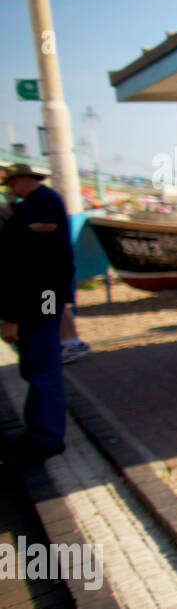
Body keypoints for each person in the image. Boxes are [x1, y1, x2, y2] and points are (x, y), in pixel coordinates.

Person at [0, 164, 75, 466]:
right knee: (39, 363)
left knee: (42, 364)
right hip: (43, 291)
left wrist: (10, 317)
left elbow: (19, 261)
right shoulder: (30, 203)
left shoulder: (41, 200)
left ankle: (46, 436)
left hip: (41, 293)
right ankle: (43, 433)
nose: (11, 189)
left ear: (23, 181)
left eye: (13, 184)